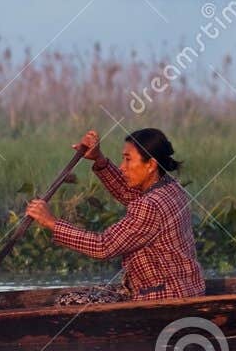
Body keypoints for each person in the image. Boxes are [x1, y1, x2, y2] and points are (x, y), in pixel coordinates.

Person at [24, 127, 205, 306]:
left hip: (162, 297)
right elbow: (129, 194)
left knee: (67, 302)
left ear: (150, 165)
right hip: (187, 289)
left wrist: (51, 223)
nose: (122, 167)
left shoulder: (150, 205)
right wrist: (99, 159)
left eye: (128, 160)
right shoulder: (170, 187)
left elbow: (103, 246)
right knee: (84, 295)